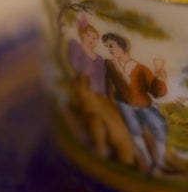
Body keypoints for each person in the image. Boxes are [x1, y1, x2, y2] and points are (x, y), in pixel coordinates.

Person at [66, 17, 136, 165]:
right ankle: (101, 149)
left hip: (101, 97)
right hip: (86, 93)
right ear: (82, 34)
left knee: (111, 120)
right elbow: (74, 64)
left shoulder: (99, 59)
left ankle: (124, 154)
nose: (91, 40)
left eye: (94, 38)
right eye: (89, 36)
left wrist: (108, 96)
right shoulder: (76, 48)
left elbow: (103, 79)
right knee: (95, 117)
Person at [102, 32, 169, 173]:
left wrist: (159, 79)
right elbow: (109, 85)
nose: (109, 49)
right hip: (124, 104)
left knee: (160, 127)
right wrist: (109, 103)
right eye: (107, 46)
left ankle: (159, 161)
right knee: (134, 130)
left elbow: (156, 93)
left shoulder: (140, 68)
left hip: (145, 105)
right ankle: (148, 161)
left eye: (111, 46)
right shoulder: (110, 64)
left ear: (122, 46)